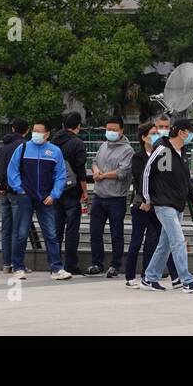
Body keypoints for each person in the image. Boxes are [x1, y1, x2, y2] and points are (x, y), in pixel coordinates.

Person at [142, 116, 193, 293]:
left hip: (177, 204)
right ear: (181, 132)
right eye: (189, 131)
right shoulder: (163, 150)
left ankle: (150, 277)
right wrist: (147, 198)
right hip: (164, 204)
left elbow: (185, 179)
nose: (191, 135)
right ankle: (186, 280)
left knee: (166, 244)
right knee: (178, 241)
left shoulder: (181, 152)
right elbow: (148, 173)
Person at [6, 119, 71, 280]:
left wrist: (54, 195)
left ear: (47, 134)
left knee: (51, 233)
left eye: (39, 131)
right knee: (21, 233)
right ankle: (18, 266)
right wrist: (20, 189)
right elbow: (12, 170)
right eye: (34, 130)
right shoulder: (23, 148)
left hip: (45, 198)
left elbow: (61, 175)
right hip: (26, 197)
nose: (35, 134)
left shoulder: (55, 151)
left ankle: (56, 268)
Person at [125, 122, 178, 289]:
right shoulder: (138, 157)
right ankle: (129, 276)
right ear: (143, 137)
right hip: (142, 204)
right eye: (153, 133)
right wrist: (146, 200)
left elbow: (166, 178)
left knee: (165, 238)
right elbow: (142, 180)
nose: (157, 135)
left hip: (158, 204)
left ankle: (174, 276)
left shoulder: (163, 154)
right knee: (137, 239)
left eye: (158, 132)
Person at [86, 115, 134, 277]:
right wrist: (95, 171)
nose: (111, 132)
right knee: (95, 232)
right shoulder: (103, 146)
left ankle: (115, 265)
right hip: (99, 196)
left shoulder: (127, 150)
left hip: (116, 198)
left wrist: (104, 175)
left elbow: (123, 171)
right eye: (108, 129)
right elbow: (93, 162)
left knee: (116, 233)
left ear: (121, 131)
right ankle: (96, 263)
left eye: (114, 130)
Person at [50, 112, 88, 275]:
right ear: (78, 126)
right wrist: (85, 191)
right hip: (72, 190)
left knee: (56, 228)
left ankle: (55, 263)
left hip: (55, 190)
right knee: (72, 229)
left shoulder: (52, 141)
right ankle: (71, 264)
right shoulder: (77, 143)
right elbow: (80, 170)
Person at [0, 119, 29, 274]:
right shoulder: (25, 146)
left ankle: (6, 263)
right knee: (18, 229)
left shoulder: (2, 147)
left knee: (6, 229)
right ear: (27, 131)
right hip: (17, 191)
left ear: (13, 128)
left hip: (4, 191)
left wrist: (1, 183)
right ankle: (17, 264)